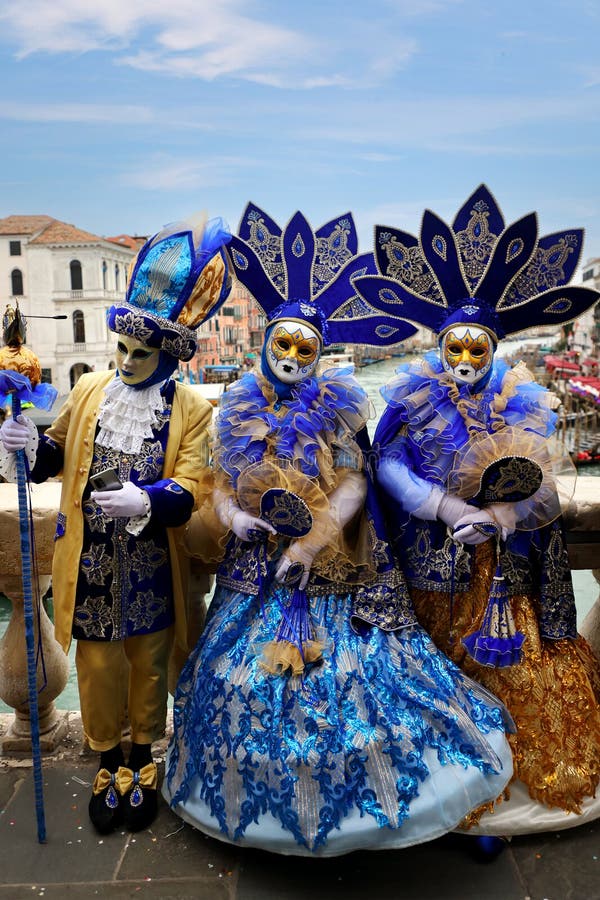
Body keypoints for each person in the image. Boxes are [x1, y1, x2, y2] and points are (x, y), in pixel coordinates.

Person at [163, 204, 515, 857]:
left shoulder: (342, 405)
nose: (294, 356)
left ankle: (432, 799)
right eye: (284, 344)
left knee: (371, 682)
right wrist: (242, 518)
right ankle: (266, 808)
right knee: (246, 685)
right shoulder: (238, 404)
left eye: (306, 347)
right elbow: (219, 481)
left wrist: (311, 540)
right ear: (267, 344)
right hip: (254, 574)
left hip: (333, 569)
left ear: (321, 353)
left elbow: (357, 480)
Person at [354, 184, 600, 838]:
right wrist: (439, 504)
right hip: (433, 572)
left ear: (492, 352)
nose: (464, 361)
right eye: (455, 349)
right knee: (441, 677)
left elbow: (542, 485)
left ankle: (502, 796)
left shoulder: (523, 406)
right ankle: (455, 795)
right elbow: (386, 462)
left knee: (514, 675)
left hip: (502, 577)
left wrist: (498, 518)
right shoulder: (413, 402)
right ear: (442, 348)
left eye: (476, 350)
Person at [0, 217, 232, 834]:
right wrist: (22, 443)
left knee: (149, 665)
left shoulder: (191, 408)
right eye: (122, 350)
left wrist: (150, 501)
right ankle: (107, 760)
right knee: (98, 667)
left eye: (141, 353)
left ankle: (140, 761)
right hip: (93, 562)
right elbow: (55, 454)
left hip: (154, 566)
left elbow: (193, 486)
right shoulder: (89, 391)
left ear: (167, 354)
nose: (128, 361)